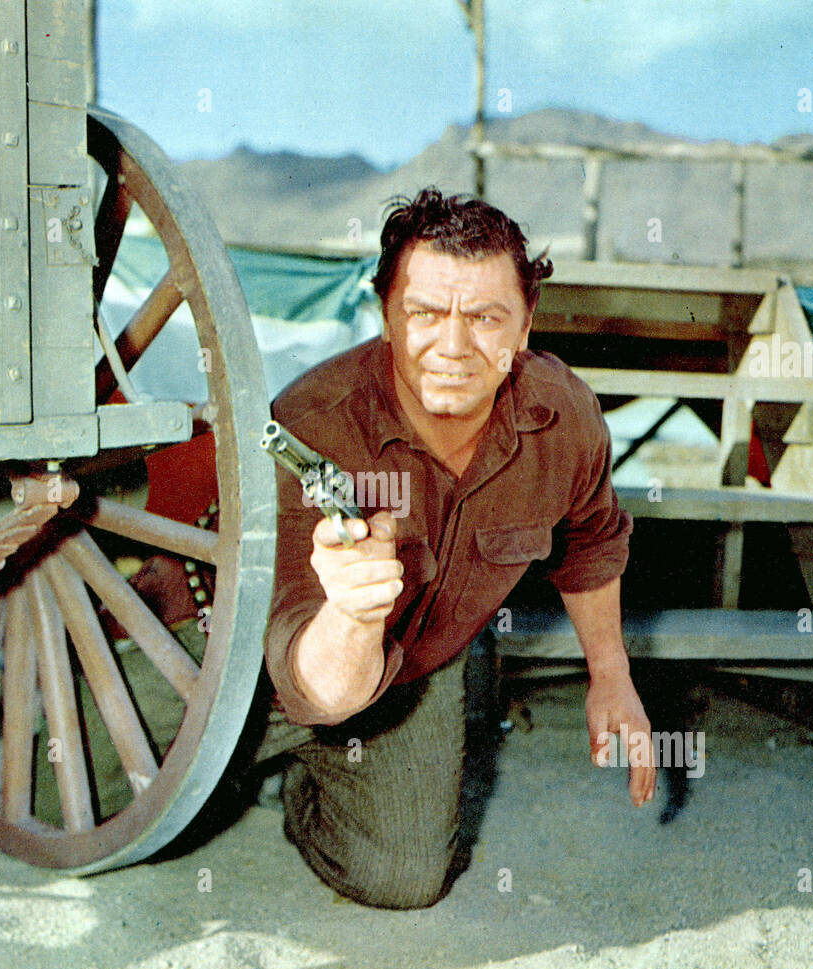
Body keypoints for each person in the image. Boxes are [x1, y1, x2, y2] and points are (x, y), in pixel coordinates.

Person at [263, 187, 655, 910]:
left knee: (405, 879)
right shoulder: (314, 422)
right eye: (424, 313)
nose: (453, 346)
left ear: (527, 326)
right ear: (385, 315)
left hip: (414, 668)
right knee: (118, 786)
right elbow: (310, 685)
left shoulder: (563, 417)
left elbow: (591, 542)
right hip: (266, 666)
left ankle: (307, 787)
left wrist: (612, 674)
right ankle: (272, 757)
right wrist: (350, 615)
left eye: (485, 318)